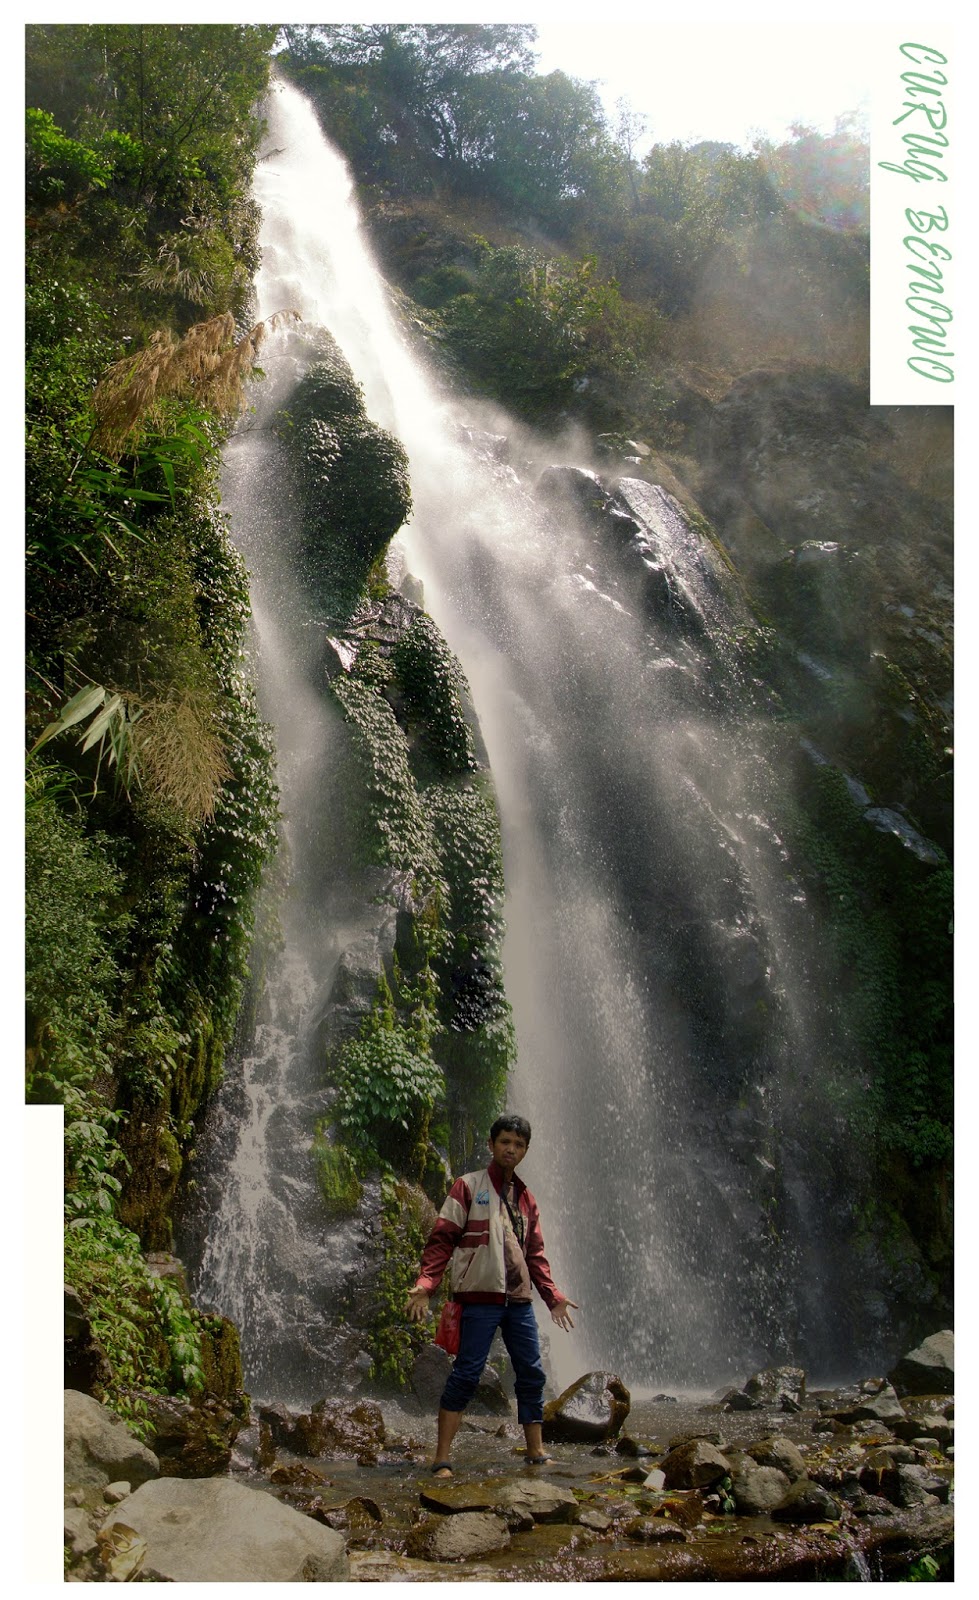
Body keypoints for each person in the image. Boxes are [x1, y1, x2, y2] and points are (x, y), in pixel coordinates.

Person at [406, 1113, 578, 1477]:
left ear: (526, 1150)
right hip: (479, 1300)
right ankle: (441, 1458)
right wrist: (426, 1285)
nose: (510, 1149)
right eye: (505, 1142)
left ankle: (536, 1450)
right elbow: (442, 1240)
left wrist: (553, 1297)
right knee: (466, 1374)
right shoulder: (467, 1187)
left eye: (518, 1144)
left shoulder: (527, 1199)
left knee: (531, 1372)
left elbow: (536, 1255)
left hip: (518, 1301)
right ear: (492, 1144)